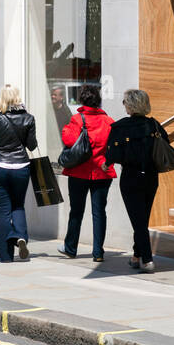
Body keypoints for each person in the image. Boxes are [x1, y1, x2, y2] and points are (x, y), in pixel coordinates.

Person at [104, 88, 170, 273]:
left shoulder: (120, 127)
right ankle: (136, 255)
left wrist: (107, 163)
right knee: (142, 218)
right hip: (150, 176)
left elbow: (112, 154)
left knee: (138, 221)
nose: (123, 105)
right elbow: (166, 144)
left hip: (131, 177)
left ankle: (147, 259)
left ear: (130, 105)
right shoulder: (154, 125)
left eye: (124, 102)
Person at [0, 84, 37, 263]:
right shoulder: (29, 119)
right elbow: (32, 145)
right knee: (18, 205)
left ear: (1, 99)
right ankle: (20, 236)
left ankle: (5, 255)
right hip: (21, 167)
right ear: (18, 97)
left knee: (3, 210)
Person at [58, 84, 116, 262]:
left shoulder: (77, 119)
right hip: (102, 171)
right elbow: (114, 146)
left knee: (76, 211)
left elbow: (68, 139)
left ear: (82, 99)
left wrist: (66, 129)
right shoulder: (108, 121)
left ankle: (71, 248)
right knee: (99, 212)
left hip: (79, 172)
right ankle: (98, 252)